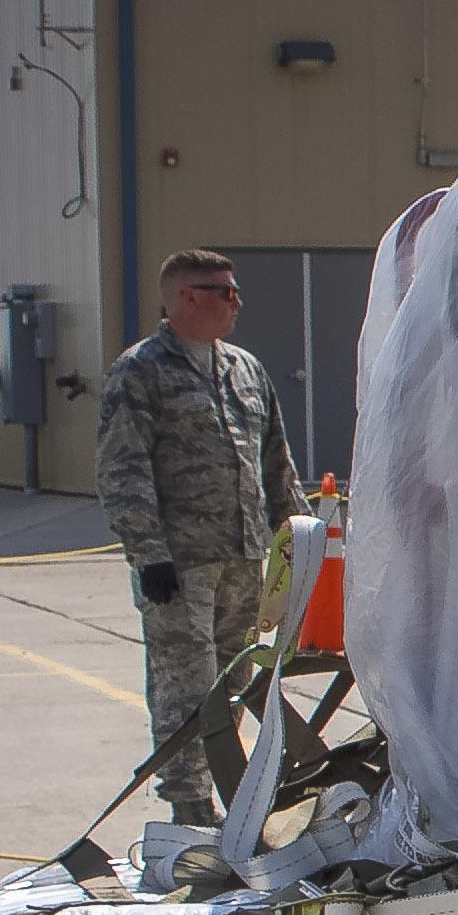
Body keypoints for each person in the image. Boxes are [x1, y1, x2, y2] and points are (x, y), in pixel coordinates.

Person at [96, 249, 296, 824]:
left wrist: (297, 538)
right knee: (186, 686)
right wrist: (148, 552)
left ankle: (228, 799)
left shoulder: (245, 369)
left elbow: (274, 461)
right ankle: (189, 808)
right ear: (188, 297)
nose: (238, 303)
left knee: (235, 681)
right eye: (225, 292)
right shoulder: (140, 371)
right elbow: (122, 468)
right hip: (181, 566)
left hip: (244, 557)